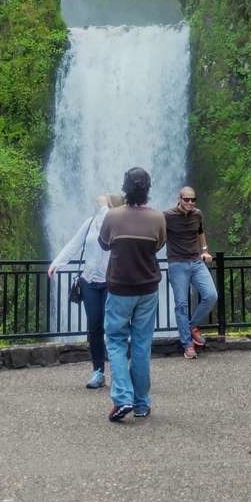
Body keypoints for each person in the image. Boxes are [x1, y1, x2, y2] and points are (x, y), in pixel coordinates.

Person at [98, 166, 166, 423]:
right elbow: (159, 245)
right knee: (141, 345)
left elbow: (104, 243)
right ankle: (141, 403)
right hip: (148, 289)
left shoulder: (112, 216)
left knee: (115, 341)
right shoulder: (158, 217)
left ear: (124, 188)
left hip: (119, 288)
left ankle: (122, 398)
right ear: (148, 189)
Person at [48, 192, 124, 389]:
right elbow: (74, 244)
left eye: (105, 204)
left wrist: (103, 205)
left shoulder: (118, 223)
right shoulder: (90, 223)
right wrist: (57, 263)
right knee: (94, 327)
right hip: (89, 281)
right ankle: (98, 371)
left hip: (111, 281)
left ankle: (119, 372)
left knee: (113, 326)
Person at [163, 184, 217, 360]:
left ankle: (191, 326)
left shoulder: (197, 214)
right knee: (181, 305)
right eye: (187, 199)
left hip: (196, 262)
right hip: (177, 264)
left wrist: (205, 249)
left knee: (211, 295)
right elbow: (159, 235)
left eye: (193, 199)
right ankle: (187, 344)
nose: (190, 202)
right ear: (179, 199)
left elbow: (200, 231)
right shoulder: (167, 216)